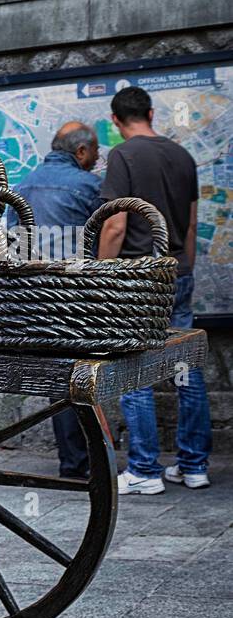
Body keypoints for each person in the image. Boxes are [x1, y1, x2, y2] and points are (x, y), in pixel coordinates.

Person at [95, 84, 211, 494]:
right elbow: (193, 224)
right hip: (176, 273)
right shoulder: (183, 155)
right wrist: (185, 269)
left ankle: (144, 470)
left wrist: (101, 276)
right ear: (151, 115)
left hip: (137, 280)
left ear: (115, 120)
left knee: (135, 371)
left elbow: (115, 223)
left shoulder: (122, 155)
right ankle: (193, 465)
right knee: (184, 367)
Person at [19, 121, 102, 479]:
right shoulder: (89, 185)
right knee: (80, 374)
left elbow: (14, 245)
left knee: (59, 377)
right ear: (81, 152)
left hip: (34, 295)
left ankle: (74, 461)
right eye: (95, 152)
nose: (97, 159)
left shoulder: (23, 186)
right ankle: (87, 460)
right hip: (76, 294)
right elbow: (104, 240)